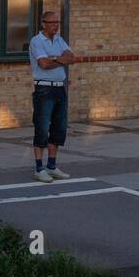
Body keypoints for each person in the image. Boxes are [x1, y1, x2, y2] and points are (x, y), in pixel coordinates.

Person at [29, 10, 78, 183]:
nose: (55, 25)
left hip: (60, 88)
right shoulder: (37, 41)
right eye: (52, 23)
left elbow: (71, 58)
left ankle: (52, 166)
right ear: (43, 24)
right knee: (42, 127)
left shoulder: (59, 39)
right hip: (44, 89)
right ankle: (38, 168)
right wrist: (59, 59)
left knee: (59, 127)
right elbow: (43, 64)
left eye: (57, 22)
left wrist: (54, 59)